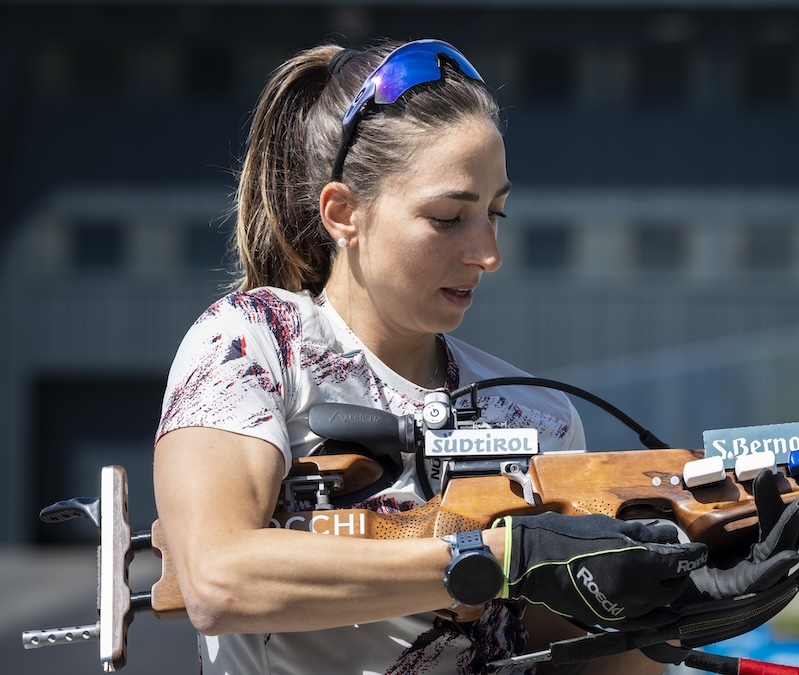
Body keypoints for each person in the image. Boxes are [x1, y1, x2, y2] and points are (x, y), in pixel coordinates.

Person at [152, 38, 710, 675]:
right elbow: (217, 579)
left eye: (495, 213)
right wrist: (499, 560)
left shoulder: (538, 414)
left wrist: (694, 586)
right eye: (449, 217)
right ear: (344, 212)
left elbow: (588, 659)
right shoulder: (251, 342)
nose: (487, 254)